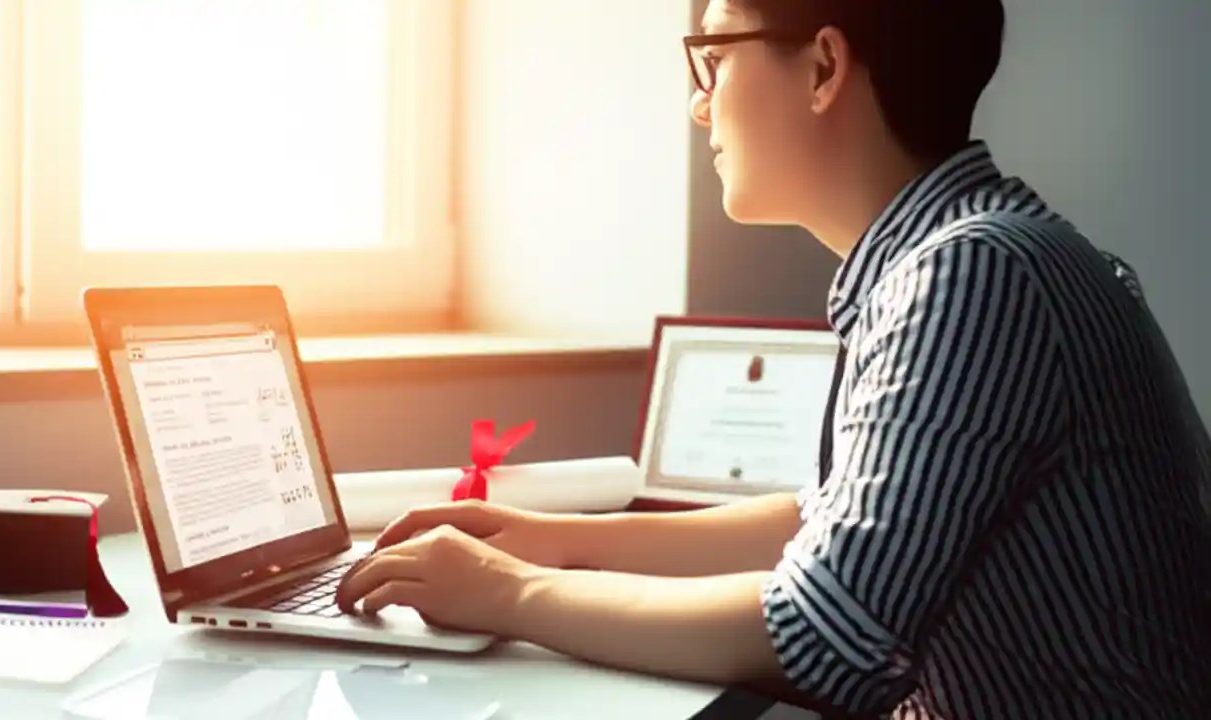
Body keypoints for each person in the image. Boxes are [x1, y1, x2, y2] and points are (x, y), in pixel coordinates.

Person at [335, 0, 1211, 717]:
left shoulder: (973, 273)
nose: (699, 104)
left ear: (824, 68)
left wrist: (512, 595)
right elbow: (827, 521)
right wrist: (553, 541)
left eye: (713, 55)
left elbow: (826, 634)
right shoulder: (989, 250)